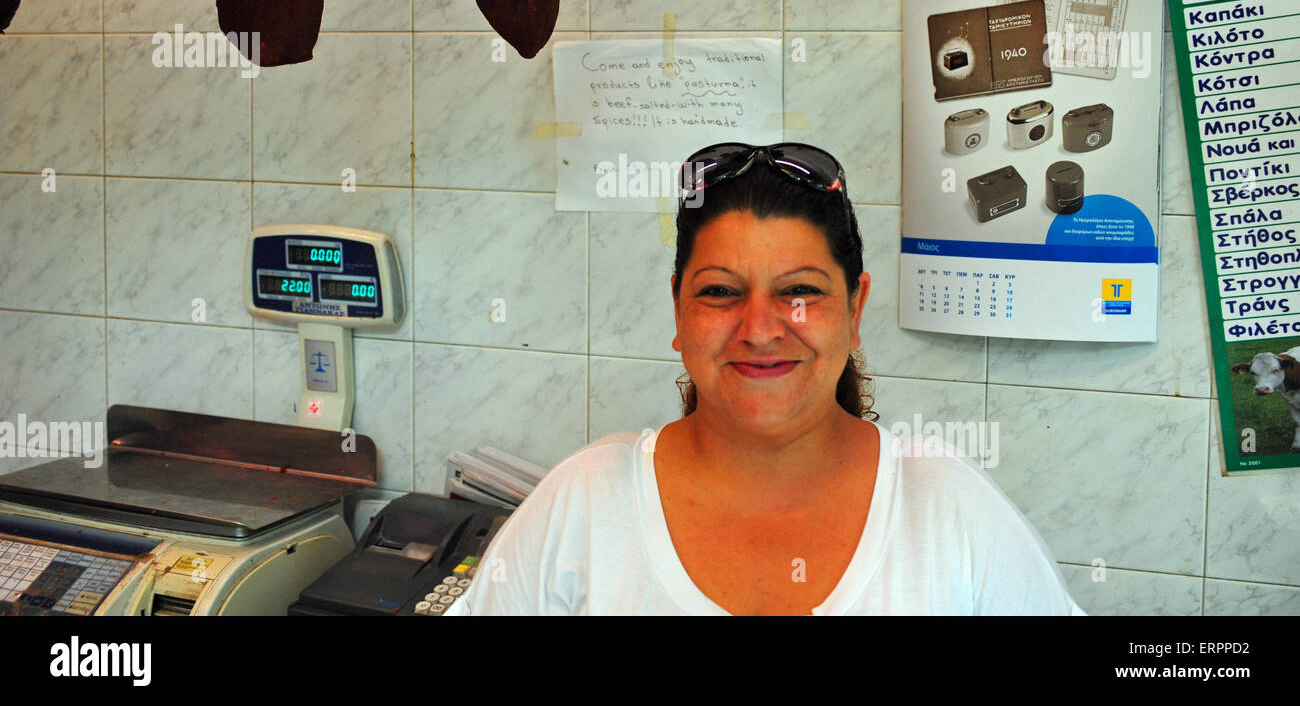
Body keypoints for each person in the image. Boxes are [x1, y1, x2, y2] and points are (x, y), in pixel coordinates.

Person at [446, 142, 1085, 615]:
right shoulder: (584, 502)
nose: (759, 328)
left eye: (800, 291)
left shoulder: (948, 510)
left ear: (855, 309)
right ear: (678, 309)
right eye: (721, 291)